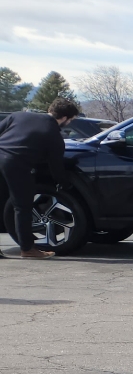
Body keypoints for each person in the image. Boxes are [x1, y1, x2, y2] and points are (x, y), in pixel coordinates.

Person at [0, 96, 80, 259]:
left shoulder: (18, 116)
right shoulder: (53, 135)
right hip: (16, 165)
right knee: (22, 207)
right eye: (71, 120)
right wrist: (64, 184)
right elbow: (56, 167)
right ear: (65, 118)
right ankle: (28, 249)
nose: (69, 123)